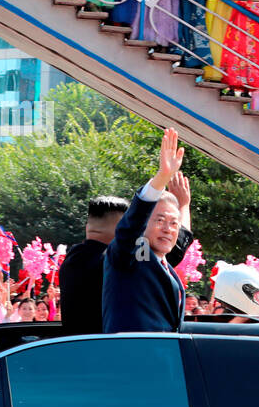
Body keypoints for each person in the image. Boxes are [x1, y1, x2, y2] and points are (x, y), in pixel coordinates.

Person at [101, 128, 189, 334]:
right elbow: (131, 226)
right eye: (160, 220)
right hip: (132, 358)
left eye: (173, 223)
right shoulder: (131, 255)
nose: (168, 229)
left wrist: (184, 205)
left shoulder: (161, 262)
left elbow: (180, 239)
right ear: (144, 224)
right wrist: (162, 177)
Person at [58, 192, 183, 335]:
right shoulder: (117, 262)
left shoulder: (71, 261)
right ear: (124, 230)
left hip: (73, 349)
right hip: (111, 350)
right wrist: (183, 205)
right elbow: (165, 258)